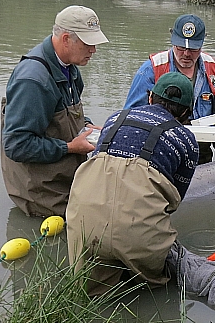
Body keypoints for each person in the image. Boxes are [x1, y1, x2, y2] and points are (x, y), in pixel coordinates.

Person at [66, 72, 200, 293]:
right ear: (186, 112)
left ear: (150, 98)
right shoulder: (187, 140)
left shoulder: (114, 119)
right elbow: (173, 201)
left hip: (83, 225)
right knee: (150, 291)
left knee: (90, 294)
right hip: (138, 234)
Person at [1, 6, 108, 217]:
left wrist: (85, 125)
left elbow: (59, 115)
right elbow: (16, 145)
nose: (93, 50)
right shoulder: (32, 81)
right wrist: (70, 147)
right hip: (42, 191)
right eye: (88, 43)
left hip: (65, 177)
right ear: (66, 39)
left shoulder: (70, 67)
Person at [124, 14, 215, 164]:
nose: (187, 54)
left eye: (193, 48)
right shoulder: (151, 69)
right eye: (181, 47)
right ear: (172, 41)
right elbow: (131, 114)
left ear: (201, 44)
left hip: (201, 148)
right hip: (160, 147)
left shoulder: (214, 68)